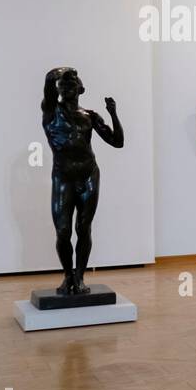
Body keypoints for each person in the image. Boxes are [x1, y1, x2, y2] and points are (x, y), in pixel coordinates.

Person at [40, 67, 123, 296]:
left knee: (83, 228)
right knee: (63, 231)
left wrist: (114, 113)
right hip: (63, 177)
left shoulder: (90, 116)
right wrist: (63, 71)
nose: (65, 88)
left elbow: (117, 142)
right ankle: (68, 276)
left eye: (71, 84)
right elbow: (49, 80)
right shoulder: (50, 111)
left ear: (80, 89)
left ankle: (80, 276)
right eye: (62, 85)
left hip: (88, 176)